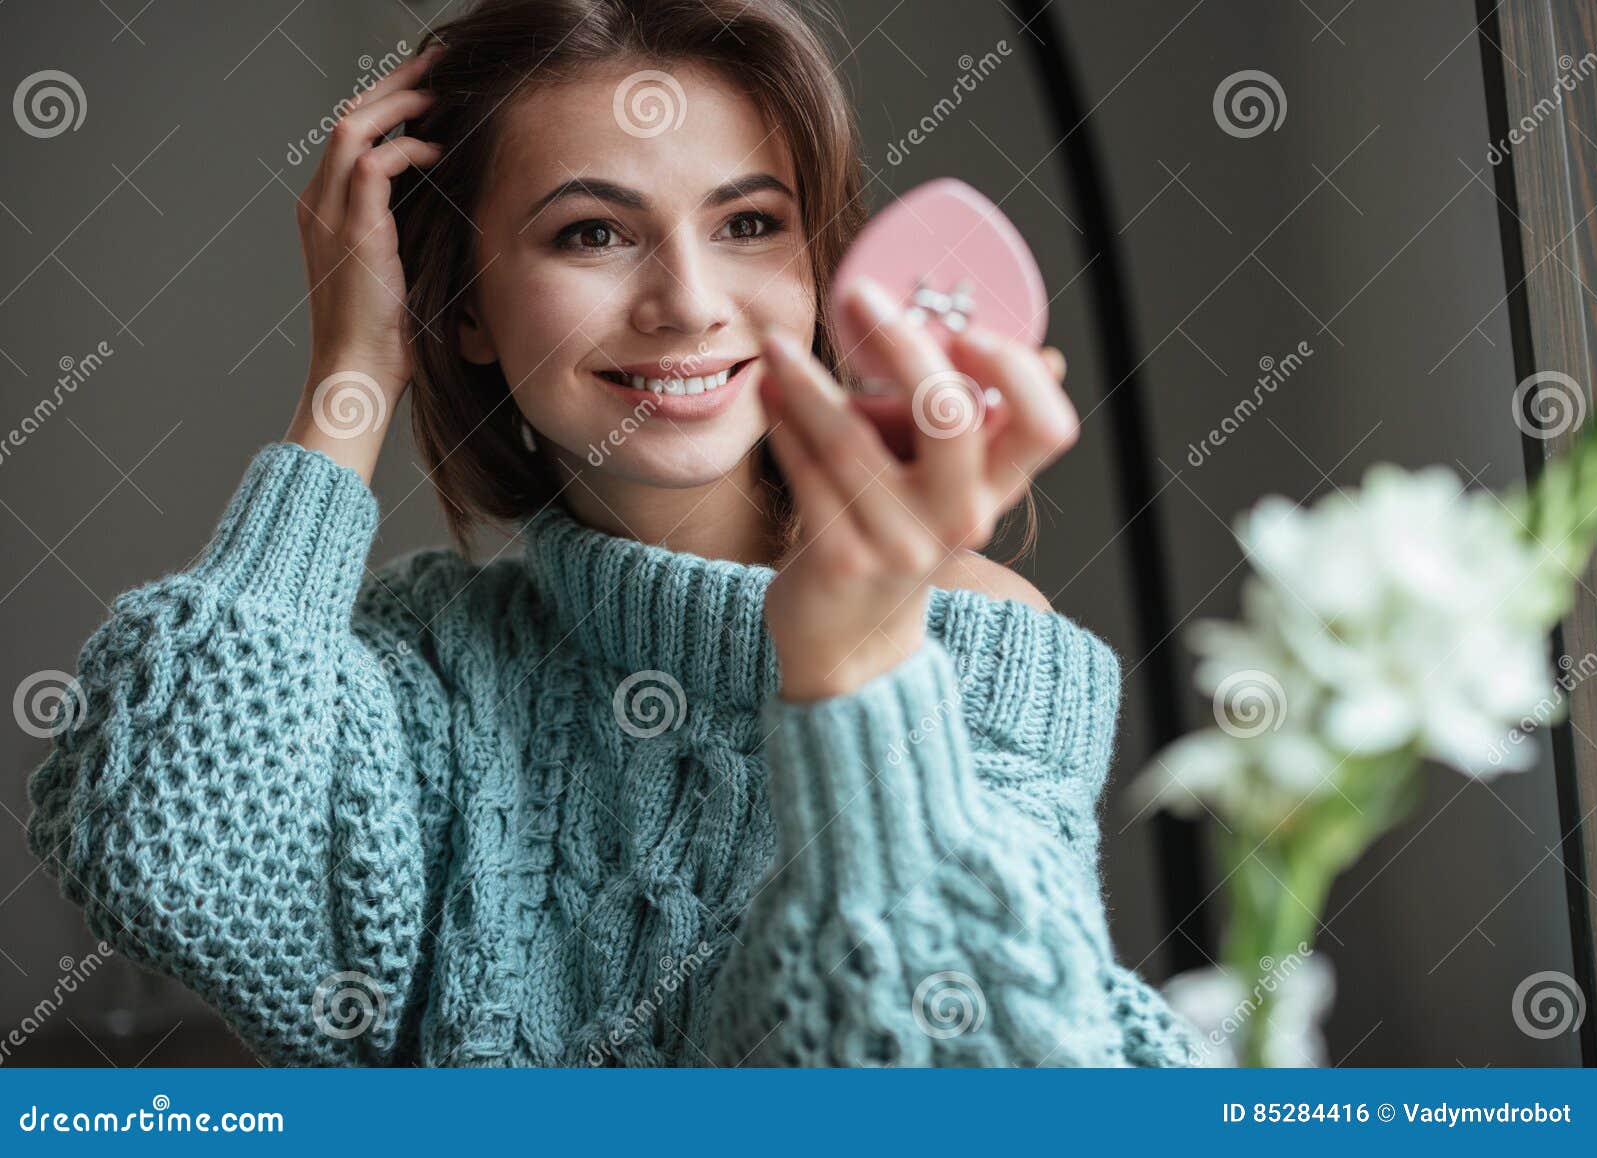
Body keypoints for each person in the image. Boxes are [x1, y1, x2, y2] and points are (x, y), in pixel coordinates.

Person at [25, 0, 1203, 1067]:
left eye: (749, 222)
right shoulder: (421, 663)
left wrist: (852, 677)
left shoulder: (963, 640)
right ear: (465, 306)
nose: (688, 301)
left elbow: (975, 1076)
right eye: (590, 233)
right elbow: (161, 856)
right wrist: (350, 372)